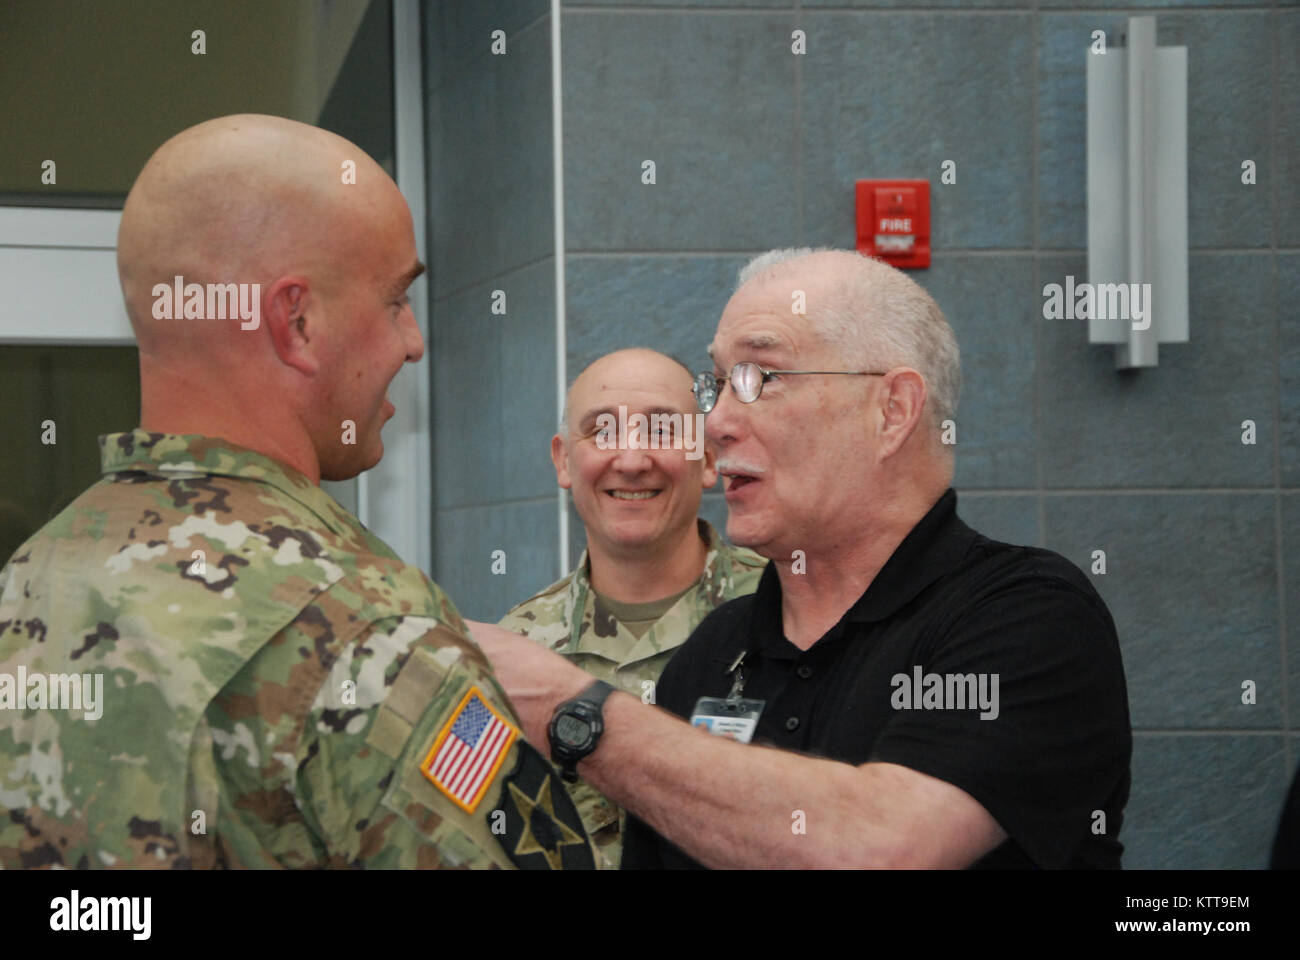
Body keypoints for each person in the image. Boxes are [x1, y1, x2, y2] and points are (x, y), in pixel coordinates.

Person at [0, 115, 593, 870]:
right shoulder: (365, 626)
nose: (413, 341)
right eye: (394, 300)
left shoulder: (28, 580)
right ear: (297, 323)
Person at [468, 248, 1132, 869]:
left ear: (892, 410)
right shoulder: (715, 651)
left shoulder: (1028, 619)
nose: (719, 422)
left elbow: (885, 846)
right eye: (720, 383)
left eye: (762, 377)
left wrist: (571, 710)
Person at [498, 347, 766, 866]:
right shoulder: (518, 648)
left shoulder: (787, 613)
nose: (632, 460)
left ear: (708, 458)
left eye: (662, 431)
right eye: (602, 432)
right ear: (563, 460)